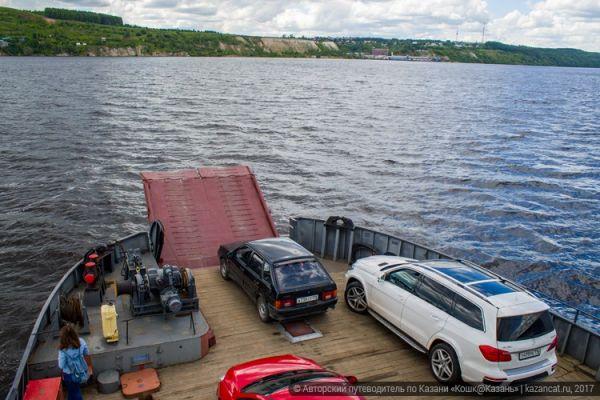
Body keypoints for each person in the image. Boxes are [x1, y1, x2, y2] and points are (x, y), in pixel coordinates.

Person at [58, 324, 92, 400]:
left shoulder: (63, 350)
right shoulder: (81, 342)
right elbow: (86, 354)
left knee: (75, 392)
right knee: (73, 391)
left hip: (69, 375)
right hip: (81, 371)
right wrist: (89, 367)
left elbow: (61, 365)